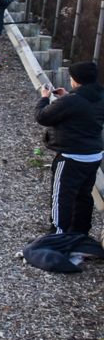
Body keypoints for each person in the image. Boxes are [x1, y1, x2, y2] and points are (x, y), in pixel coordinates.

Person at [36, 61, 104, 235]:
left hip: (71, 157)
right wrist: (67, 96)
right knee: (83, 195)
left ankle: (57, 234)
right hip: (94, 156)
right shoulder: (99, 95)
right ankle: (80, 233)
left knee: (61, 197)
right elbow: (85, 111)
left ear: (77, 80)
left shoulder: (72, 101)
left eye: (71, 77)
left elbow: (42, 117)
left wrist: (44, 98)